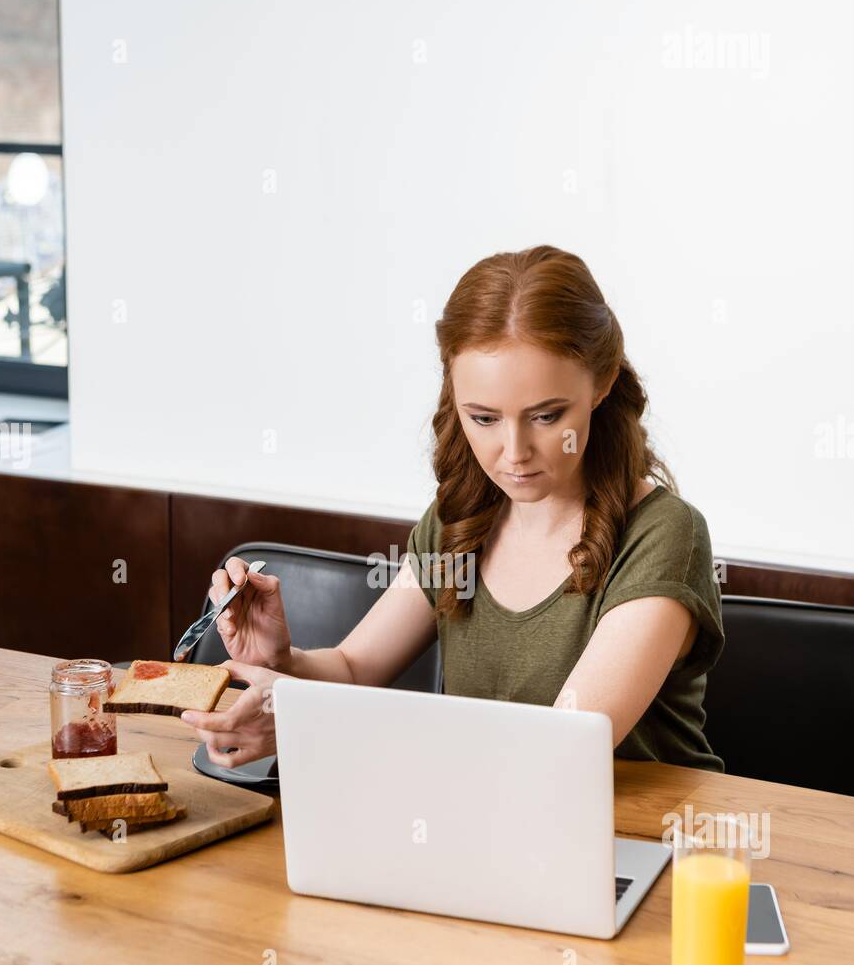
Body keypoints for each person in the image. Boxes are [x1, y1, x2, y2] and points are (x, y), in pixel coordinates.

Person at [181, 245, 724, 773]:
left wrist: (311, 717)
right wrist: (283, 663)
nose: (513, 454)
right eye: (484, 418)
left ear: (603, 383)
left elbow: (561, 749)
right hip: (486, 828)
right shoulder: (462, 522)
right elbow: (352, 668)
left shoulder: (664, 535)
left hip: (652, 847)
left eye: (546, 416)